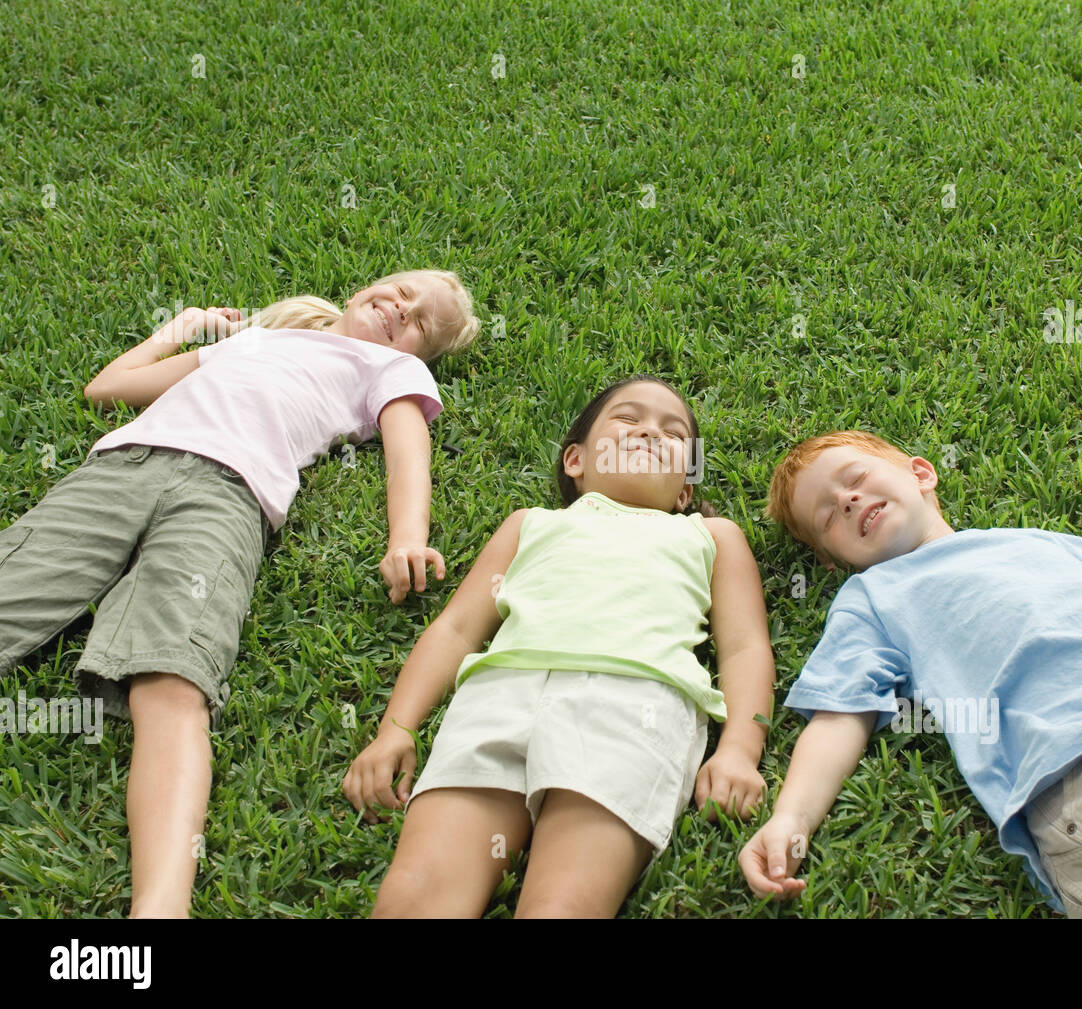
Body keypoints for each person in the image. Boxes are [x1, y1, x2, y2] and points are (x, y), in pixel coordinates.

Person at [0, 268, 481, 917]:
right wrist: (185, 325)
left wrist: (407, 536)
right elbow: (108, 388)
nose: (401, 306)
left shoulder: (384, 368)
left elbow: (408, 451)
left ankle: (159, 911)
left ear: (421, 353)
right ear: (364, 288)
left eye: (422, 319)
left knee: (174, 679)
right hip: (123, 465)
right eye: (400, 288)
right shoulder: (256, 337)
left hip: (226, 498)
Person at [741, 429, 1082, 918]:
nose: (848, 500)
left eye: (855, 478)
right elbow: (842, 714)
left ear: (921, 474)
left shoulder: (1049, 544)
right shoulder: (873, 596)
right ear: (835, 561)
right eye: (827, 515)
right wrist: (791, 819)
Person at [344, 376, 775, 917]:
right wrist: (395, 730)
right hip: (498, 699)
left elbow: (745, 649)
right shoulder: (530, 525)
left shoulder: (712, 536)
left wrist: (739, 748)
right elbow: (456, 629)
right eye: (627, 418)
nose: (648, 431)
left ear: (685, 490)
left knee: (562, 906)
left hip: (630, 706)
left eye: (673, 433)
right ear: (575, 460)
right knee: (414, 898)